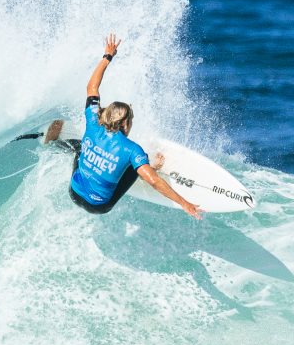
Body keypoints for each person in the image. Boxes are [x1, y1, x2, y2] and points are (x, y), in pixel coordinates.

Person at [47, 35, 202, 218]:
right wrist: (185, 204)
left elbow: (91, 88)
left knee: (81, 147)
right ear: (126, 123)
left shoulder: (93, 123)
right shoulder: (133, 150)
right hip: (99, 206)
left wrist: (107, 56)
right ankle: (148, 165)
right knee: (137, 167)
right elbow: (152, 180)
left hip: (74, 193)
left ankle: (51, 143)